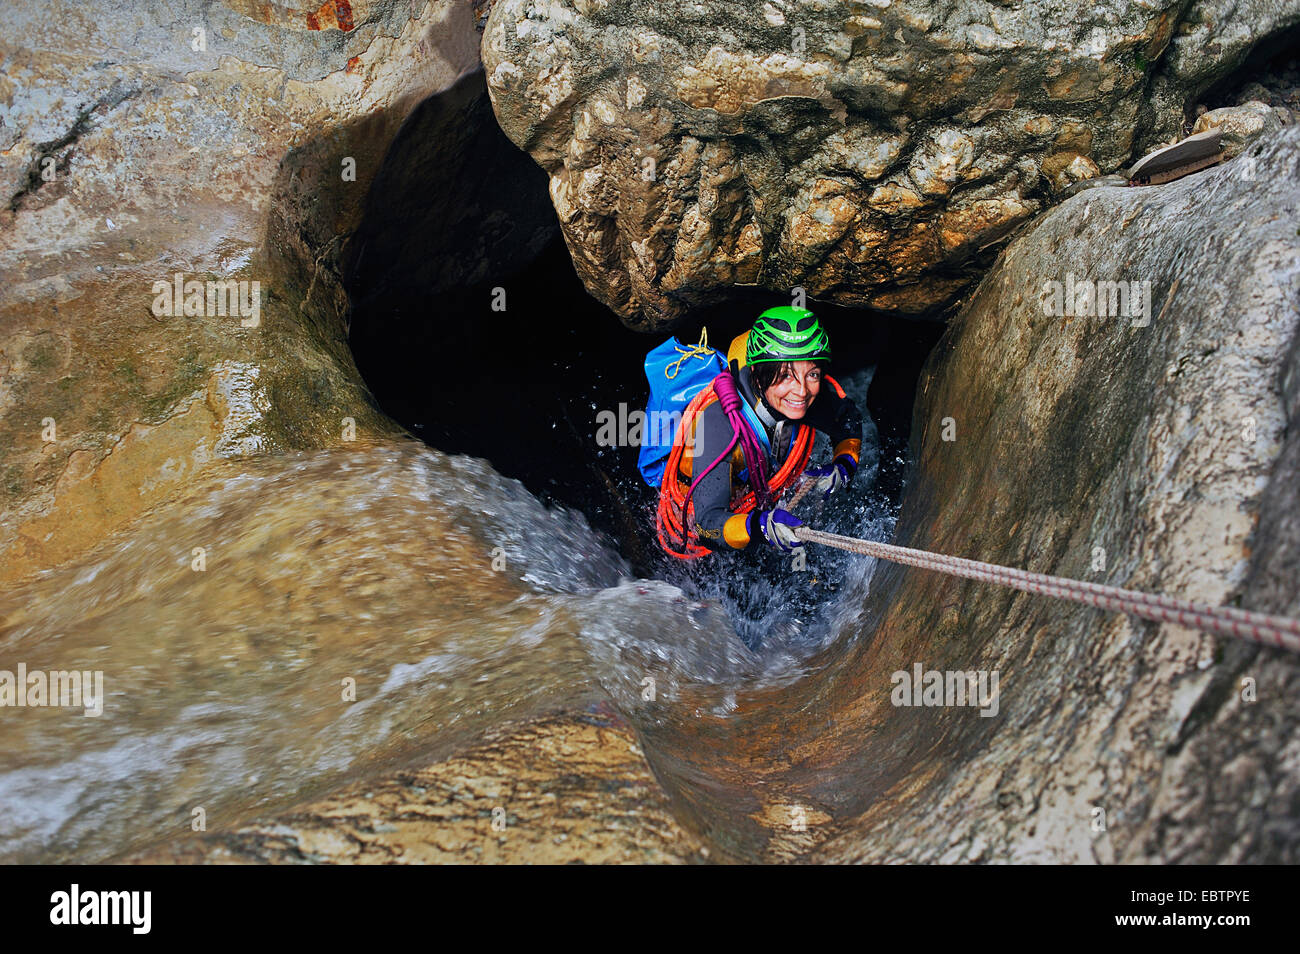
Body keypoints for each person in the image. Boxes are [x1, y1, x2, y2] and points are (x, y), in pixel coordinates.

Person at [656, 306, 863, 557]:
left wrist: (843, 465)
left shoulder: (796, 396)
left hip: (751, 494)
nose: (801, 391)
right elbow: (706, 525)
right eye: (785, 375)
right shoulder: (717, 424)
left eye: (813, 373)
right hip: (695, 516)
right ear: (757, 373)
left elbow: (847, 418)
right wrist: (760, 526)